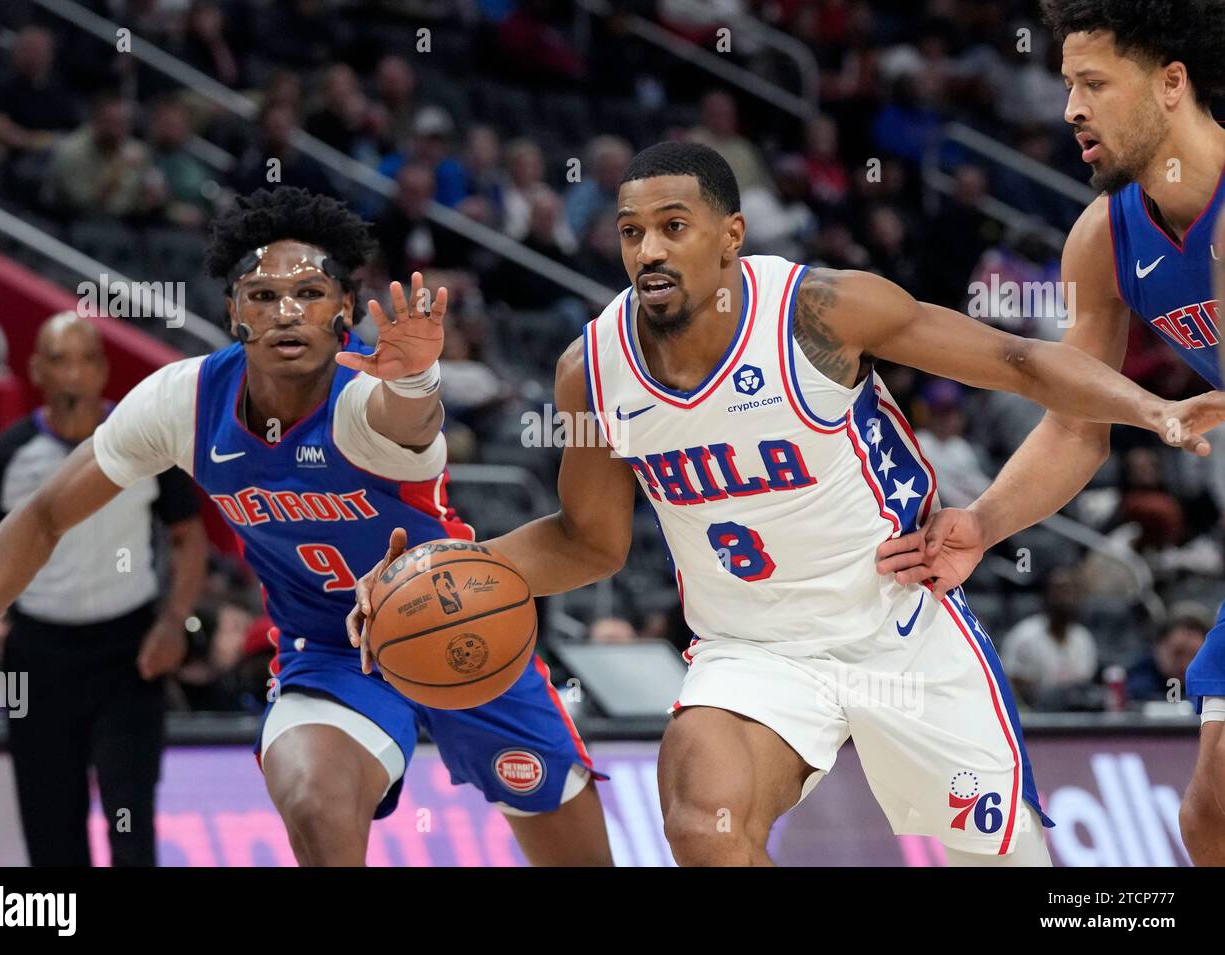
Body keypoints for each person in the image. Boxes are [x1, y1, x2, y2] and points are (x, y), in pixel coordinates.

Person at [347, 141, 1225, 867]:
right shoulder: (592, 369)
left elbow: (1020, 362)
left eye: (672, 227)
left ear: (729, 235)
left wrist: (1153, 408)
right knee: (702, 827)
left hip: (900, 625)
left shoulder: (822, 311)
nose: (648, 251)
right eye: (629, 233)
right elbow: (590, 542)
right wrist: (444, 571)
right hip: (752, 650)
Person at [0, 187, 611, 867]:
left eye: (311, 293)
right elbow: (42, 516)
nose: (287, 311)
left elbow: (410, 422)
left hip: (459, 626)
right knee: (315, 801)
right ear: (233, 312)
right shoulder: (183, 402)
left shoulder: (367, 402)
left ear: (345, 310)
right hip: (332, 653)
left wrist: (415, 383)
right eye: (261, 295)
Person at [875, 0, 1225, 867]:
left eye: (1094, 84)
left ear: (1171, 83)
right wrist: (983, 526)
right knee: (1210, 814)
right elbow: (1076, 424)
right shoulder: (1102, 241)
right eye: (1069, 84)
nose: (1070, 107)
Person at [0, 311, 207, 865]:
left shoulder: (143, 443)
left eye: (85, 359)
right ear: (36, 371)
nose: (74, 374)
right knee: (52, 838)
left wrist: (174, 620)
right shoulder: (8, 454)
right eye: (59, 360)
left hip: (128, 656)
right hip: (38, 657)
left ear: (104, 369)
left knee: (132, 832)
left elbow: (189, 538)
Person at [999, 567, 1098, 709]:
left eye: (1072, 591)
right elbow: (1014, 686)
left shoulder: (1083, 638)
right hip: (1036, 720)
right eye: (1061, 590)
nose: (1067, 597)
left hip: (1076, 719)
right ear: (1045, 595)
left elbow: (1085, 686)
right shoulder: (1024, 636)